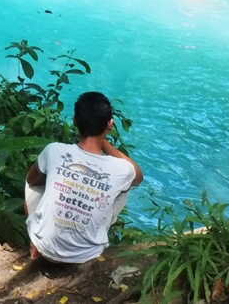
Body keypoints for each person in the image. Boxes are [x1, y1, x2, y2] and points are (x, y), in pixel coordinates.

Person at [25, 91, 143, 263]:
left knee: (35, 181)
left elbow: (31, 180)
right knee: (124, 186)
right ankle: (89, 235)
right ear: (110, 124)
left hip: (45, 247)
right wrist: (102, 140)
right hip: (88, 254)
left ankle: (35, 243)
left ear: (74, 121)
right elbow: (138, 177)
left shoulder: (54, 150)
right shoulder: (121, 168)